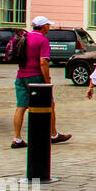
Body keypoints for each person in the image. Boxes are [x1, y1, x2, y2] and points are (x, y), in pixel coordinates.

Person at [11, 15, 70, 148]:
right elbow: (43, 63)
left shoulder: (25, 37)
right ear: (43, 27)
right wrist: (47, 80)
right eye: (48, 25)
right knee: (50, 104)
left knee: (21, 106)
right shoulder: (42, 40)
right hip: (36, 76)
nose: (49, 27)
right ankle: (53, 134)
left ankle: (17, 138)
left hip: (21, 75)